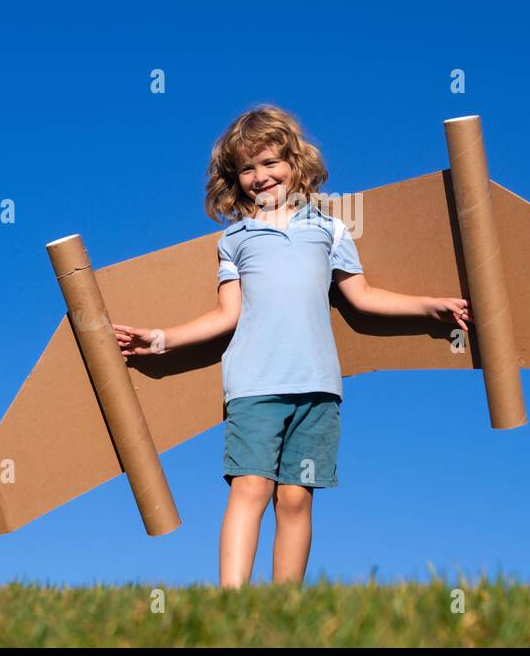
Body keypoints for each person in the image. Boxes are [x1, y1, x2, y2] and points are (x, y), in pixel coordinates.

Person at [114, 104, 472, 588]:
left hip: (318, 386)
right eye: (247, 168)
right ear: (234, 179)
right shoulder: (234, 240)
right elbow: (226, 315)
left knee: (296, 498)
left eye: (269, 163)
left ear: (295, 163)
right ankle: (231, 602)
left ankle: (285, 609)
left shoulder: (331, 229)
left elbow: (361, 297)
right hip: (255, 384)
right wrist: (159, 339)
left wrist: (430, 307)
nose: (260, 176)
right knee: (251, 486)